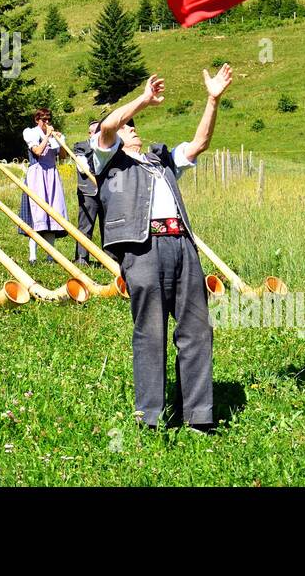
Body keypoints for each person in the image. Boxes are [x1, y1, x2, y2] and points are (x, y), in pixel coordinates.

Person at [90, 65, 232, 430]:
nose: (132, 128)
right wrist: (142, 100)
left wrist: (212, 100)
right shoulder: (107, 160)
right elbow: (109, 126)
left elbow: (199, 144)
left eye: (133, 125)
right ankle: (150, 418)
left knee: (197, 329)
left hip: (182, 245)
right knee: (150, 331)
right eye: (128, 125)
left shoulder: (160, 160)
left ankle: (199, 417)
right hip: (143, 249)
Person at [17, 108, 69, 264]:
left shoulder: (54, 136)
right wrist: (47, 136)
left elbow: (63, 157)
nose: (47, 122)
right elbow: (38, 151)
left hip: (51, 175)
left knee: (53, 213)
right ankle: (33, 256)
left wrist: (61, 141)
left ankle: (50, 256)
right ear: (37, 120)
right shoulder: (31, 133)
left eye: (49, 119)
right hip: (37, 175)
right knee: (37, 214)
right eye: (44, 119)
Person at [70, 120, 103, 267]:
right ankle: (81, 259)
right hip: (88, 191)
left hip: (107, 191)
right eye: (96, 131)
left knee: (107, 226)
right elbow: (82, 168)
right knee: (85, 226)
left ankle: (109, 259)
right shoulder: (81, 147)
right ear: (90, 133)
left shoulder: (107, 147)